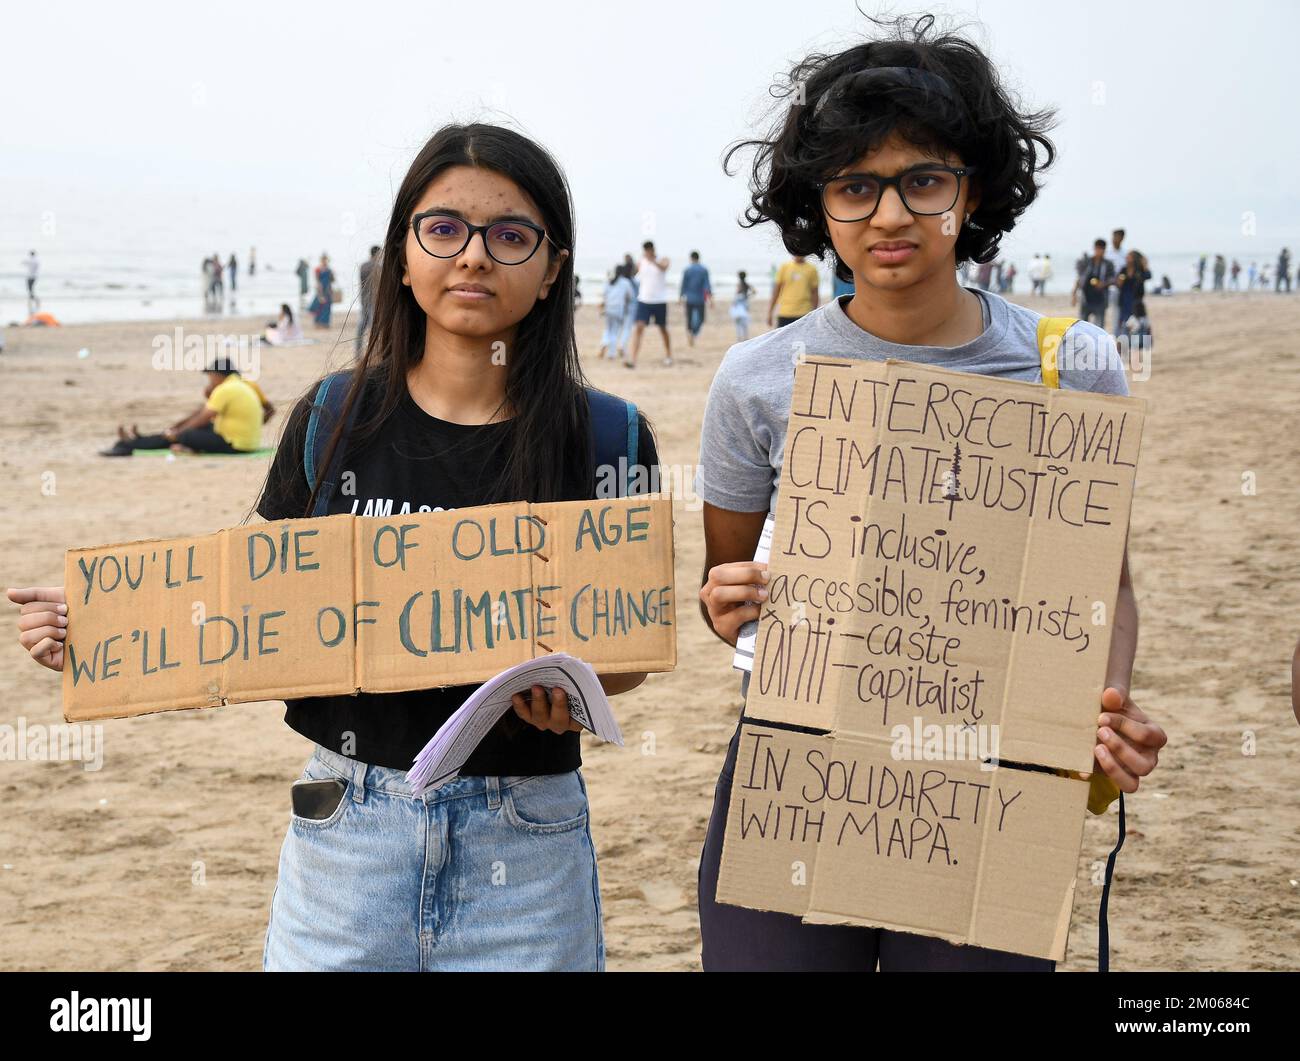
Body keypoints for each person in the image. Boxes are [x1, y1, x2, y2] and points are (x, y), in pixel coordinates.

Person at [11, 123, 660, 973]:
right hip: (347, 828)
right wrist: (103, 630)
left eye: (509, 236)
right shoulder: (334, 415)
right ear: (401, 256)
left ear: (551, 270)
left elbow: (626, 647)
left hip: (528, 838)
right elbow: (256, 597)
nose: (472, 257)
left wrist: (574, 689)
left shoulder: (608, 434)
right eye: (443, 229)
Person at [698, 14, 1165, 972]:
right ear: (818, 203)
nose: (890, 215)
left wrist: (1099, 701)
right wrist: (728, 604)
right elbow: (730, 590)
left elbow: (1101, 584)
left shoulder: (1072, 364)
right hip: (801, 768)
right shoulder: (756, 378)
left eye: (925, 180)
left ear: (973, 189)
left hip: (998, 777)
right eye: (855, 186)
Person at [99, 357, 271, 456]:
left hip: (236, 445)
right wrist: (175, 429)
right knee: (185, 432)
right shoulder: (240, 385)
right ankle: (140, 439)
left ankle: (133, 444)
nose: (209, 380)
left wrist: (178, 434)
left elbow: (201, 419)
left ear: (217, 375)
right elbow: (201, 414)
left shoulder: (226, 389)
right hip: (245, 441)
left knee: (187, 434)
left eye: (210, 376)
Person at [629, 240, 672, 367]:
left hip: (659, 300)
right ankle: (633, 359)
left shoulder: (663, 259)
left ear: (653, 249)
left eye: (649, 250)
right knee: (639, 327)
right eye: (646, 250)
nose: (647, 252)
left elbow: (664, 267)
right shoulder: (641, 261)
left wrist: (652, 260)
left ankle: (669, 354)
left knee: (663, 328)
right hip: (644, 300)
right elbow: (633, 274)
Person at [768, 253, 820, 326]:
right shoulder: (784, 267)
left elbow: (815, 293)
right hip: (785, 312)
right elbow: (776, 291)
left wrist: (814, 314)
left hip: (804, 313)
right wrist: (770, 313)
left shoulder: (812, 269)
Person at [599, 263, 636, 358]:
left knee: (608, 329)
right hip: (618, 309)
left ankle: (604, 343)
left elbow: (603, 295)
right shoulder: (625, 282)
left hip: (608, 308)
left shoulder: (609, 281)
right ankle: (611, 353)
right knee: (615, 331)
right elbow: (630, 296)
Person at [1075, 238, 1114, 326]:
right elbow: (1079, 278)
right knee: (1083, 326)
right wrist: (1074, 294)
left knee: (1099, 327)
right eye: (1098, 249)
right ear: (1094, 248)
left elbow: (1112, 279)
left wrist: (1103, 284)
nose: (1099, 251)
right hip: (1086, 298)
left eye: (1101, 249)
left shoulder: (1108, 264)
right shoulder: (1086, 262)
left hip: (1100, 299)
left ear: (1104, 250)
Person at [680, 250, 712, 346]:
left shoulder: (687, 269)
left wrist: (680, 296)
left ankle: (690, 332)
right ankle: (694, 332)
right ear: (699, 258)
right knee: (701, 318)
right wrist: (710, 298)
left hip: (689, 298)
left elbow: (683, 285)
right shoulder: (704, 269)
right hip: (700, 298)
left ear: (691, 258)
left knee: (689, 318)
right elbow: (707, 285)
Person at [357, 244, 381, 348]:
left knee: (363, 324)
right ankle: (372, 350)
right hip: (373, 299)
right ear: (377, 254)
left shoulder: (363, 266)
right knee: (372, 325)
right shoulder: (377, 267)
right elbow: (377, 285)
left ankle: (358, 350)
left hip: (364, 298)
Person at [1105, 228, 1126, 334]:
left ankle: (1115, 333)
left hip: (1119, 287)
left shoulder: (1124, 254)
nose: (1114, 239)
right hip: (1107, 285)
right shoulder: (1107, 253)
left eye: (1116, 237)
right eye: (1113, 237)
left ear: (1122, 238)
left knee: (1116, 312)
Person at [309, 254, 334, 327]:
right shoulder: (318, 269)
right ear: (321, 260)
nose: (325, 261)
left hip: (328, 289)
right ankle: (318, 322)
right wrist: (319, 292)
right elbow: (317, 281)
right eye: (324, 260)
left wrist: (332, 274)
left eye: (326, 260)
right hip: (321, 289)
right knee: (319, 306)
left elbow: (332, 280)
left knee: (327, 307)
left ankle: (325, 323)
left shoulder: (329, 269)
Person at [730, 270, 753, 340]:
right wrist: (748, 296)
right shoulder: (747, 284)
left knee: (738, 322)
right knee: (744, 321)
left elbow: (737, 294)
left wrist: (733, 303)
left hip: (739, 303)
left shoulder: (739, 284)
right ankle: (745, 336)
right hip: (745, 303)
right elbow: (754, 292)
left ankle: (739, 337)